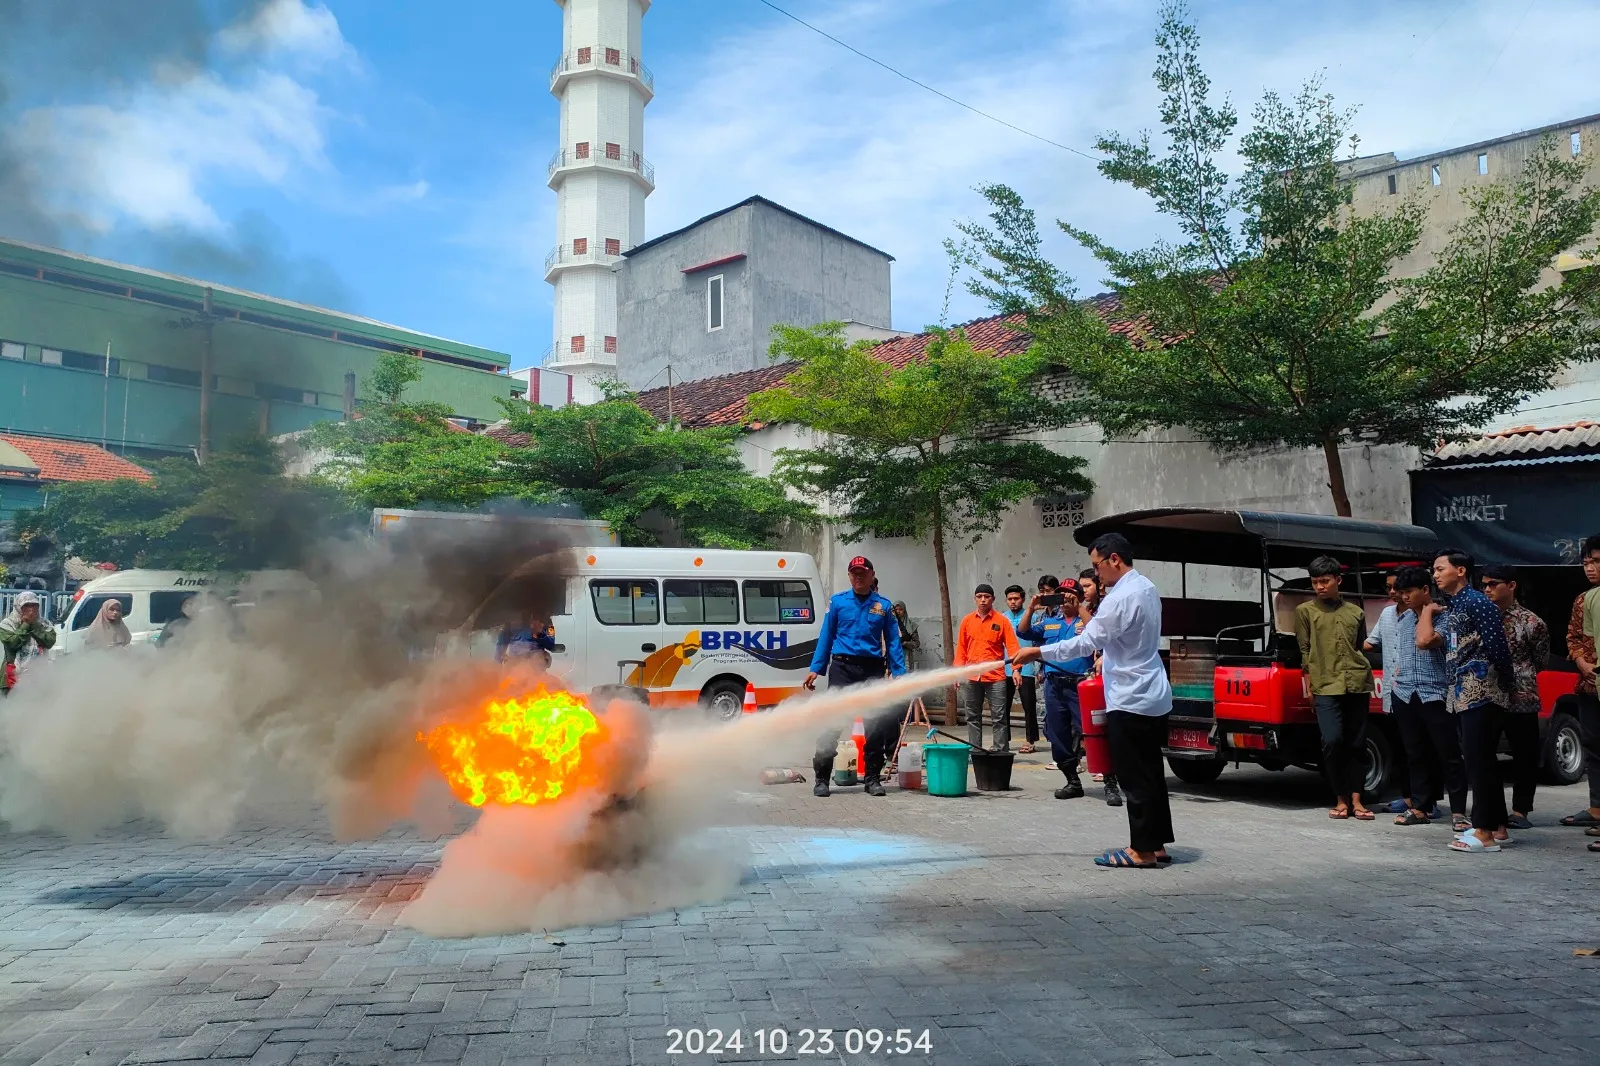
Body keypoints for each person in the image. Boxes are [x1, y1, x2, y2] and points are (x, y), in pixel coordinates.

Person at [1017, 533, 1173, 868]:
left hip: (1130, 697)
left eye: (1097, 566)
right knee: (1150, 772)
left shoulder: (1120, 596)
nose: (1096, 574)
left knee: (1133, 775)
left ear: (1114, 559)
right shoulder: (1146, 587)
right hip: (1153, 694)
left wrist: (1037, 651)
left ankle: (1141, 851)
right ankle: (1156, 843)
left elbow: (1084, 643)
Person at [1417, 548, 1516, 853]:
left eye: (1439, 568)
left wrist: (1504, 684)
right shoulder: (1453, 605)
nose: (1435, 575)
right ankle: (1496, 826)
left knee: (1477, 759)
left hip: (1481, 688)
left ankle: (1484, 833)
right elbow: (1427, 642)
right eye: (1433, 570)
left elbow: (1498, 646)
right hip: (1460, 690)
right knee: (1480, 758)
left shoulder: (1477, 602)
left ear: (1460, 571)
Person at [1365, 567, 1462, 828]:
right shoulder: (1402, 620)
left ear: (1426, 591)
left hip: (1436, 693)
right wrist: (1397, 682)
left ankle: (1458, 812)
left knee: (1447, 754)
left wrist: (1428, 612)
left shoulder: (1444, 617)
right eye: (1401, 592)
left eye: (1409, 592)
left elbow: (1426, 641)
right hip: (1405, 693)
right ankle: (1420, 807)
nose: (1403, 597)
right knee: (1414, 753)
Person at [805, 556, 908, 798]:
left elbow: (893, 642)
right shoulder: (838, 603)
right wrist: (815, 667)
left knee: (876, 726)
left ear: (872, 575)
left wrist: (900, 674)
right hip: (843, 668)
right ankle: (821, 779)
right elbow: (826, 636)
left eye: (863, 572)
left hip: (872, 670)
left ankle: (872, 779)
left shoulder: (883, 606)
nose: (858, 577)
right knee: (832, 722)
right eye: (854, 573)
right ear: (849, 576)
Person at [1294, 555, 1376, 821]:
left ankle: (1357, 800)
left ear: (1337, 580)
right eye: (1315, 582)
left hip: (1357, 683)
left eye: (1325, 581)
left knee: (1357, 743)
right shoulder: (1305, 612)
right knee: (1332, 740)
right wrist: (1312, 689)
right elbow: (1305, 652)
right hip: (1325, 685)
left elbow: (1359, 646)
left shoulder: (1355, 612)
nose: (1320, 587)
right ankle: (1340, 798)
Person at [1480, 565, 1549, 830]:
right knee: (1484, 752)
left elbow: (1540, 661)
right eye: (1484, 584)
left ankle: (1521, 809)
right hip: (1488, 693)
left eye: (1493, 584)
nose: (1487, 589)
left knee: (1524, 754)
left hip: (1522, 695)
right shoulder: (1482, 617)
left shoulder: (1532, 622)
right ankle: (1490, 809)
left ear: (1511, 585)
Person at [1019, 576, 1093, 799]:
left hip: (1081, 683)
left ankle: (1109, 780)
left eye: (1070, 595)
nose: (1065, 600)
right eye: (1061, 596)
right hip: (1054, 685)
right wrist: (1031, 608)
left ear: (1079, 597)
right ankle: (1072, 780)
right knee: (1057, 733)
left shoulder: (1087, 619)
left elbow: (1099, 634)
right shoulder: (1051, 622)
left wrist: (1080, 607)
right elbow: (1023, 632)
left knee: (1092, 731)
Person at [1561, 534, 1600, 843]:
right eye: (1586, 562)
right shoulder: (1584, 600)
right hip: (1589, 685)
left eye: (1596, 561)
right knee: (1593, 745)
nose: (1589, 568)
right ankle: (1597, 808)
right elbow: (1573, 638)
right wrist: (1581, 663)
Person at [954, 584, 1020, 752]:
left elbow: (1012, 647)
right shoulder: (967, 621)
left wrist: (1016, 669)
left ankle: (1001, 751)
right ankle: (976, 751)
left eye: (987, 596)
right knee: (972, 717)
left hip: (995, 678)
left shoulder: (1001, 621)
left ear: (993, 599)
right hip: (971, 677)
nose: (983, 600)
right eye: (979, 596)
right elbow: (961, 649)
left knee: (999, 717)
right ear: (975, 599)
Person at [1078, 567, 1123, 806]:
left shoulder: (1108, 606)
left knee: (1104, 727)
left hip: (1112, 679)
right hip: (1093, 676)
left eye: (1088, 586)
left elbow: (1099, 634)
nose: (1083, 590)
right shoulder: (1091, 608)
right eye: (1081, 586)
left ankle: (1111, 782)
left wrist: (1105, 656)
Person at [1001, 584, 1040, 754]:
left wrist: (1039, 668)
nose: (1013, 602)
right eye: (1010, 599)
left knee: (1029, 706)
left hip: (1027, 668)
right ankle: (1004, 740)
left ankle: (1030, 740)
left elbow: (1038, 643)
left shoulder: (1032, 616)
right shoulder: (1002, 618)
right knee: (1003, 706)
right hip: (1006, 668)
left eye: (1016, 599)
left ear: (1023, 599)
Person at [1, 591, 57, 694]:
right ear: (18, 607)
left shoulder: (44, 624)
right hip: (12, 676)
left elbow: (49, 642)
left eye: (34, 605)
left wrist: (34, 625)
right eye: (26, 605)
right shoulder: (7, 624)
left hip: (38, 675)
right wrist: (26, 624)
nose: (31, 610)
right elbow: (13, 644)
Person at [892, 601, 921, 672]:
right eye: (896, 609)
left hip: (906, 656)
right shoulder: (890, 624)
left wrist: (906, 643)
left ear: (904, 610)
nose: (898, 611)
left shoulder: (911, 625)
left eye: (900, 609)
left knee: (906, 678)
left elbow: (917, 643)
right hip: (893, 655)